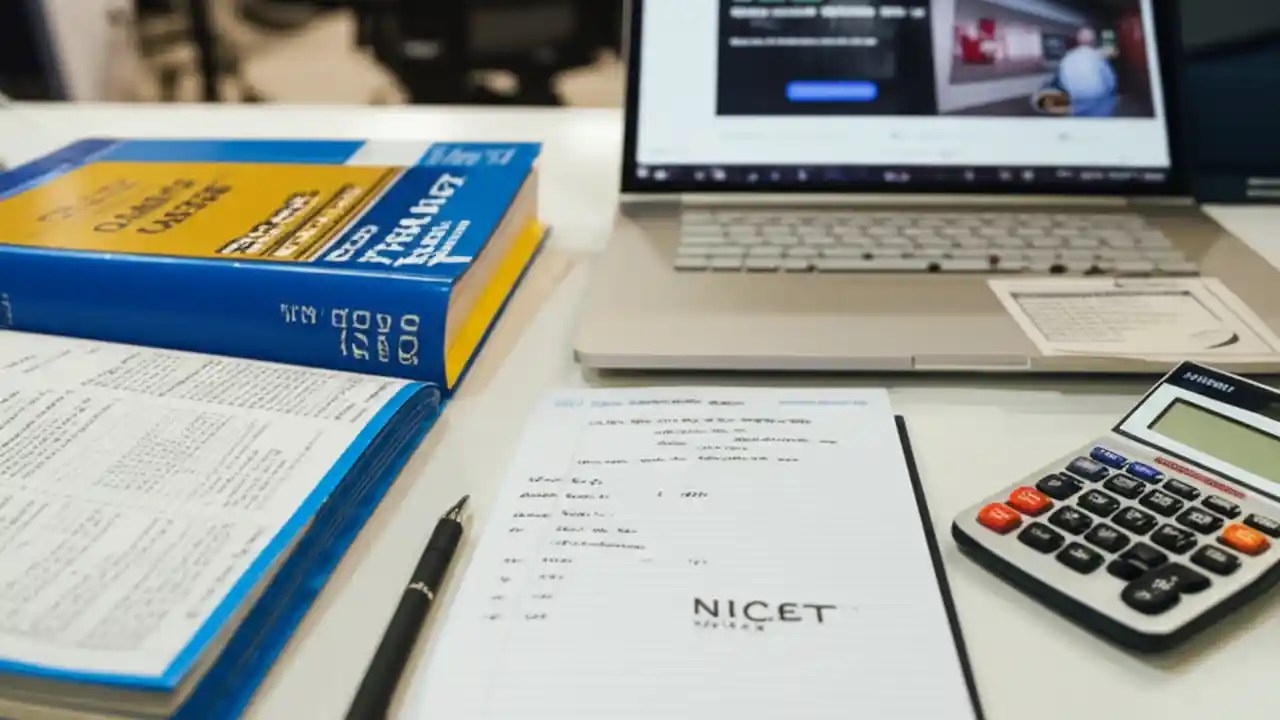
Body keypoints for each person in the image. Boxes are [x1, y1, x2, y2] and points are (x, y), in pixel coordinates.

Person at [1057, 26, 1118, 117]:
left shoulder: (1067, 58)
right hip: (1098, 100)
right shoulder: (1098, 57)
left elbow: (1062, 82)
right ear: (1094, 40)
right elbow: (1110, 82)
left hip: (1075, 100)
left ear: (1078, 40)